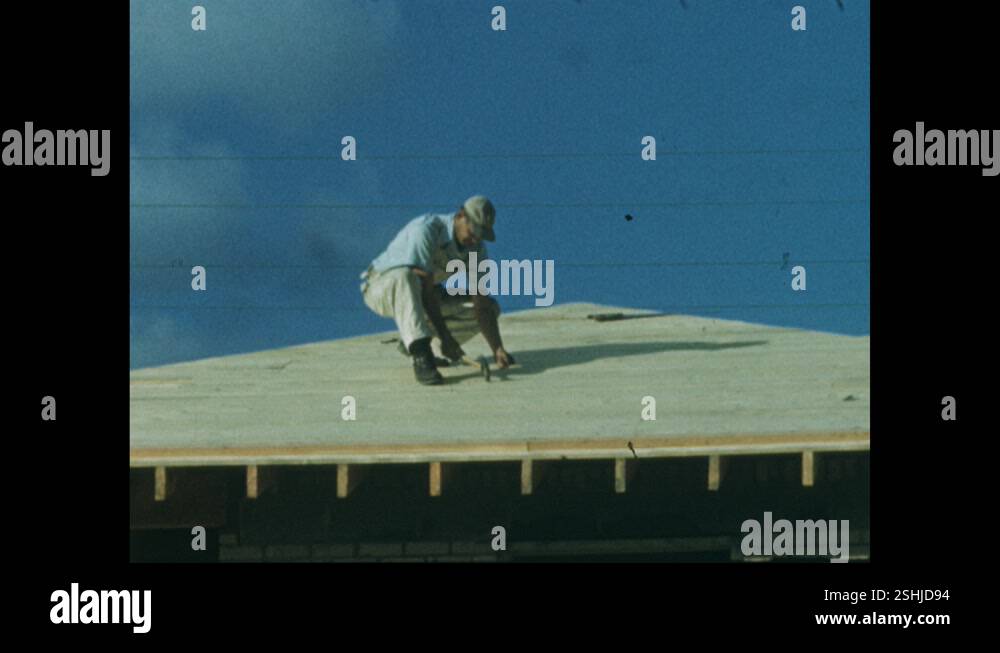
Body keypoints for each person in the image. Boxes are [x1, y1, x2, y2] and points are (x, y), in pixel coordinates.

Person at [360, 195, 515, 385]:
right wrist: (446, 336)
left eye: (480, 235)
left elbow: (480, 304)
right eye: (472, 231)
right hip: (382, 287)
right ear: (460, 216)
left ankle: (422, 345)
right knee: (407, 277)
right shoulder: (426, 230)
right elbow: (423, 287)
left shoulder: (476, 251)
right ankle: (420, 353)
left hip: (425, 292)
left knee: (490, 308)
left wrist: (497, 349)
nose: (474, 240)